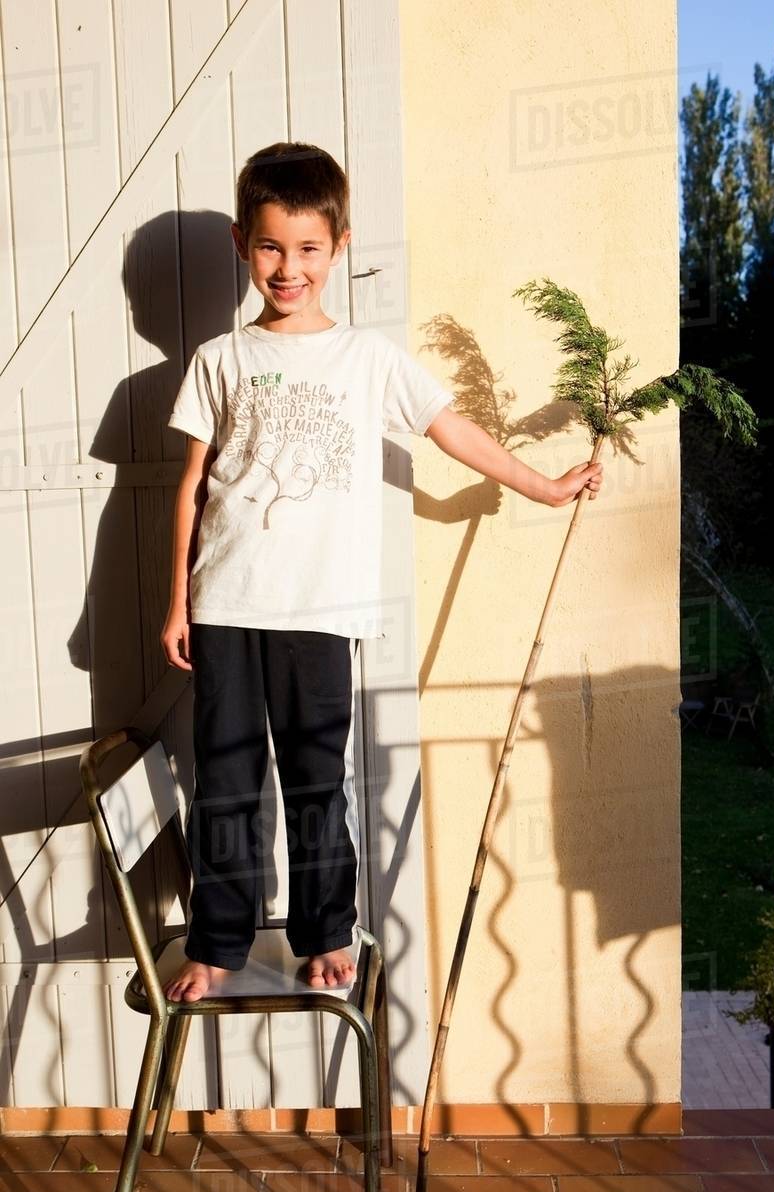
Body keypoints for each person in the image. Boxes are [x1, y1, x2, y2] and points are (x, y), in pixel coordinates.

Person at [160, 141, 603, 1002]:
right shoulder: (219, 359)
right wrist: (175, 600)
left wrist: (543, 485)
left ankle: (329, 933)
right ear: (243, 247)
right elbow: (189, 488)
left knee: (319, 782)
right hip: (226, 605)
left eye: (308, 248)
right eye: (270, 248)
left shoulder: (369, 359)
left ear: (340, 244)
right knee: (224, 783)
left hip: (323, 613)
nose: (289, 268)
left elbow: (451, 430)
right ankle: (217, 943)